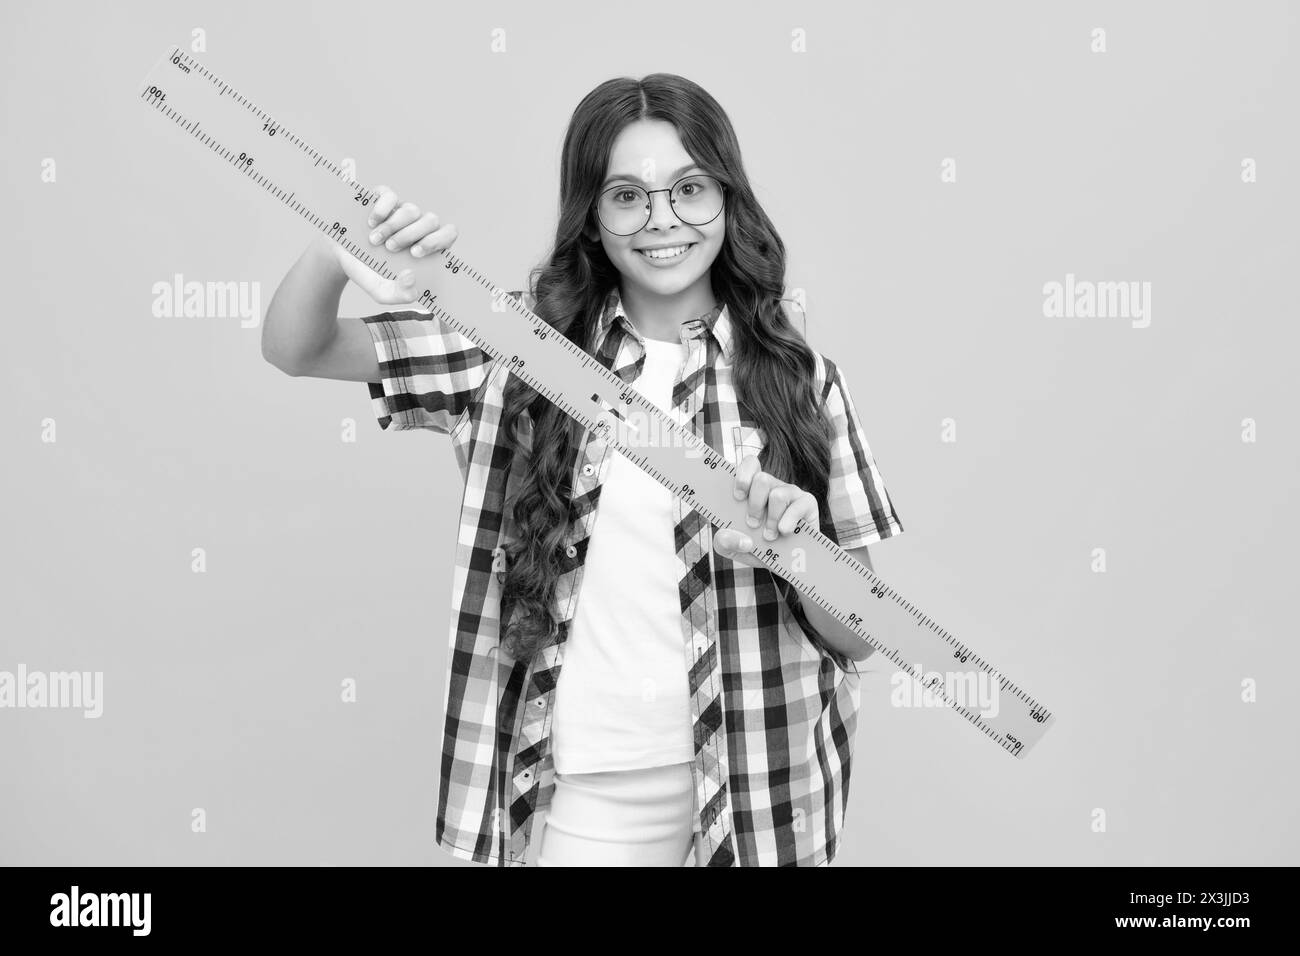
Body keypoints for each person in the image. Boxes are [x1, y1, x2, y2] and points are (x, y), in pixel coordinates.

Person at [260, 73, 904, 867]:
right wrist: (335, 248)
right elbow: (299, 349)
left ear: (729, 202)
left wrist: (798, 552)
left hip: (762, 791)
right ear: (591, 219)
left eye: (691, 189)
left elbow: (861, 633)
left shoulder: (799, 381)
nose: (662, 219)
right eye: (626, 196)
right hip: (588, 785)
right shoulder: (519, 352)